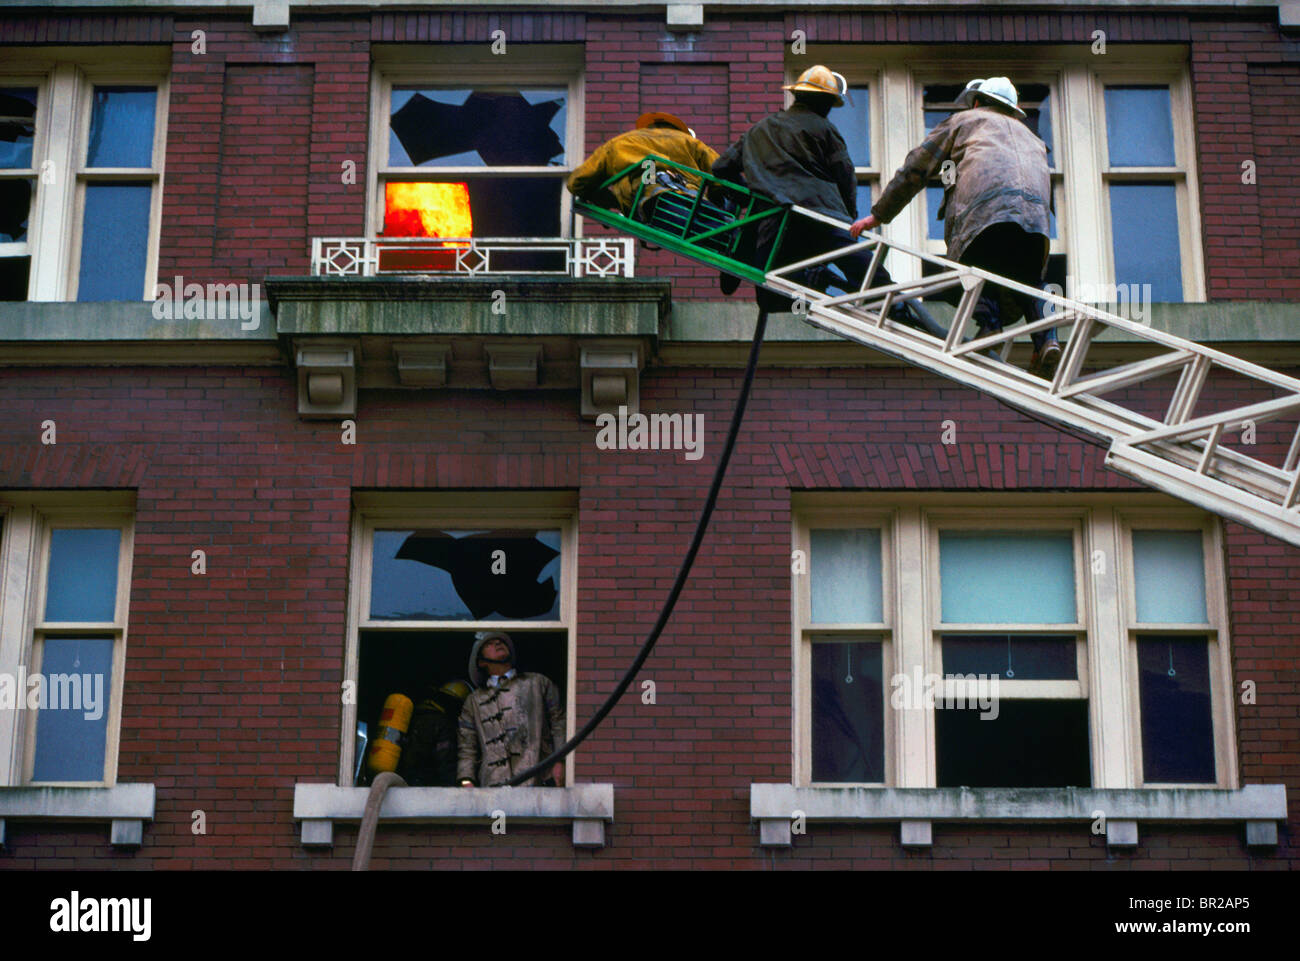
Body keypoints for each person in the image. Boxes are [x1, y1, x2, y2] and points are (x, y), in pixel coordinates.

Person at [850, 76, 1062, 376]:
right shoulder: (1034, 139)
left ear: (976, 102)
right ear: (1013, 111)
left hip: (986, 213)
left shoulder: (963, 120)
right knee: (1029, 281)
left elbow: (916, 168)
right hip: (1035, 224)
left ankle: (989, 326)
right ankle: (1047, 342)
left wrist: (879, 215)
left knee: (963, 273)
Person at [712, 65, 944, 335]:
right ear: (825, 103)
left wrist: (749, 196)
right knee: (866, 271)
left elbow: (720, 169)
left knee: (771, 295)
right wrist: (847, 218)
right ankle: (893, 305)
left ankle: (811, 278)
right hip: (822, 218)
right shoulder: (824, 128)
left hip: (773, 224)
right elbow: (846, 176)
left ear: (797, 96)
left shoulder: (757, 130)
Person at [457, 631, 566, 788]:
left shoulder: (537, 682)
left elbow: (559, 722)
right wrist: (467, 780)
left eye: (500, 641)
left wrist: (560, 761)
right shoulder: (474, 701)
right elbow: (467, 744)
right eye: (489, 644)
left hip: (538, 779)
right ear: (481, 662)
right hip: (493, 785)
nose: (497, 644)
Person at [566, 110, 719, 218]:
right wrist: (717, 199)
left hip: (644, 200)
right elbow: (720, 172)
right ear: (678, 130)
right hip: (692, 201)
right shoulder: (691, 142)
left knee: (649, 171)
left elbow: (577, 182)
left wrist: (612, 201)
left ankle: (652, 188)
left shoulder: (618, 143)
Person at [397, 679, 470, 787]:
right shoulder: (443, 724)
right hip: (427, 789)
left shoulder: (413, 717)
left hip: (402, 783)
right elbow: (446, 762)